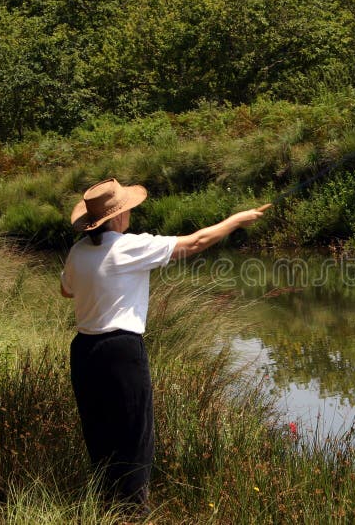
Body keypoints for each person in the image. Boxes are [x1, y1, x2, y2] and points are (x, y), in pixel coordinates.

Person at [60, 178, 267, 517]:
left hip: (83, 352)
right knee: (134, 438)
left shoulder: (77, 252)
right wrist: (236, 221)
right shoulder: (131, 247)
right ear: (117, 217)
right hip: (121, 352)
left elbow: (66, 291)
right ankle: (133, 516)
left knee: (99, 435)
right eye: (126, 210)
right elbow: (196, 242)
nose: (130, 214)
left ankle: (106, 512)